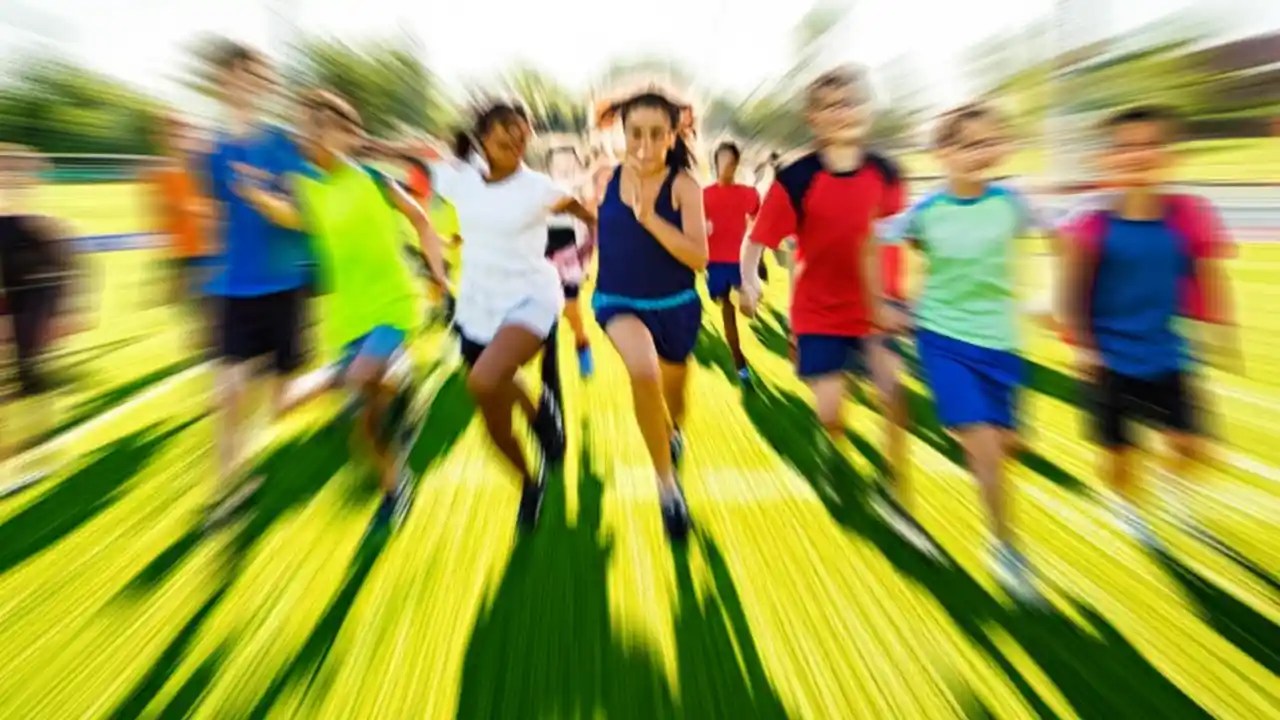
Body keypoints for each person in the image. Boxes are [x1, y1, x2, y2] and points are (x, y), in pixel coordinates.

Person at [739, 66, 923, 547]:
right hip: (819, 314)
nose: (843, 112)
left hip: (875, 312)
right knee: (831, 414)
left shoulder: (887, 173)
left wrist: (909, 294)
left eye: (851, 102)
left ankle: (895, 488)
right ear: (813, 118)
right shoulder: (798, 178)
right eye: (830, 105)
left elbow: (904, 234)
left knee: (893, 395)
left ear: (867, 109)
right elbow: (756, 240)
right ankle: (833, 442)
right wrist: (749, 283)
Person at [250, 91, 447, 527]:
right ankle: (395, 486)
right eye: (305, 127)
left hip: (394, 303)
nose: (309, 136)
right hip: (348, 317)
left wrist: (438, 273)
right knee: (366, 422)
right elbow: (291, 218)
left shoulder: (374, 179)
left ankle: (382, 382)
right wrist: (253, 194)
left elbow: (420, 219)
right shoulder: (309, 189)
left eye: (320, 127)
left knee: (358, 378)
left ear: (347, 135)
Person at [883, 104, 1047, 598]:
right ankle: (1007, 548)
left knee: (1008, 446)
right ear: (943, 153)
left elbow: (1067, 234)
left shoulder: (1012, 203)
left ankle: (977, 448)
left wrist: (1056, 297)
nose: (981, 153)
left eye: (989, 142)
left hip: (1003, 344)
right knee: (989, 450)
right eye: (968, 144)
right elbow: (871, 240)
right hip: (944, 341)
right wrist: (882, 302)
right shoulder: (926, 212)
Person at [1062, 105, 1234, 549]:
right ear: (1107, 160)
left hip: (1167, 351)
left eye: (1150, 145)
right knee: (1119, 454)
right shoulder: (1093, 224)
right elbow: (1071, 292)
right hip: (1108, 358)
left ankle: (1171, 487)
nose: (1139, 155)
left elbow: (1207, 272)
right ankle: (1126, 504)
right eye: (1125, 148)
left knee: (1193, 444)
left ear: (1170, 155)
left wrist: (1221, 326)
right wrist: (1082, 348)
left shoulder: (1190, 214)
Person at [429, 101, 597, 530]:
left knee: (484, 378)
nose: (517, 137)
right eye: (506, 128)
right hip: (478, 307)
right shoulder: (462, 180)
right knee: (495, 423)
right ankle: (529, 480)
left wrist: (594, 243)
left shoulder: (537, 187)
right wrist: (372, 145)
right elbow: (423, 154)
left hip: (532, 299)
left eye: (523, 131)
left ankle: (542, 416)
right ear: (483, 136)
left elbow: (587, 213)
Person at [202, 41, 314, 525]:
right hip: (232, 289)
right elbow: (218, 219)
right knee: (227, 393)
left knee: (281, 402)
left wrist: (259, 194)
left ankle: (365, 378)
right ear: (223, 83)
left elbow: (299, 217)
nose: (248, 85)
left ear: (266, 87)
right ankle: (230, 491)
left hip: (282, 288)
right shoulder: (213, 152)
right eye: (239, 76)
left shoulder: (284, 146)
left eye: (257, 77)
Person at [593, 89, 708, 541]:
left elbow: (699, 256)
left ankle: (674, 431)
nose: (643, 144)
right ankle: (667, 488)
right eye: (634, 133)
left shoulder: (685, 186)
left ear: (673, 134)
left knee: (674, 398)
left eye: (655, 134)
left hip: (676, 307)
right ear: (622, 133)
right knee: (644, 374)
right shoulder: (605, 177)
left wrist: (649, 219)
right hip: (617, 302)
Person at [0, 145, 82, 493]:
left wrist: (69, 310)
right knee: (13, 381)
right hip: (11, 299)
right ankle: (17, 450)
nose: (11, 181)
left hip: (39, 300)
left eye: (19, 175)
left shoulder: (46, 226)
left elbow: (72, 267)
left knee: (30, 374)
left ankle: (38, 447)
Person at [147, 114, 215, 351]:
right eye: (174, 134)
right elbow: (162, 214)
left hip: (206, 247)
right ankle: (202, 335)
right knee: (185, 301)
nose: (180, 139)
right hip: (181, 250)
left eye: (184, 133)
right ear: (165, 139)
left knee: (208, 299)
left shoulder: (205, 168)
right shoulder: (163, 174)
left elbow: (211, 205)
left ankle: (207, 336)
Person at [702, 140, 760, 384]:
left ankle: (749, 297)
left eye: (730, 162)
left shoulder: (747, 194)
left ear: (736, 164)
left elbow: (760, 217)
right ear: (715, 163)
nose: (725, 166)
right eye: (721, 161)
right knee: (727, 308)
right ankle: (739, 360)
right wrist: (703, 229)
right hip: (715, 263)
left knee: (745, 304)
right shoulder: (704, 195)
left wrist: (755, 243)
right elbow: (692, 227)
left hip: (739, 262)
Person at [545, 146, 596, 381]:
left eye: (568, 161)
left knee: (572, 313)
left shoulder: (580, 190)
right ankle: (549, 367)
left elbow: (591, 223)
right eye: (558, 160)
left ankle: (583, 347)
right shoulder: (542, 188)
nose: (563, 165)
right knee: (546, 315)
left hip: (570, 255)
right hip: (545, 255)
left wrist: (587, 251)